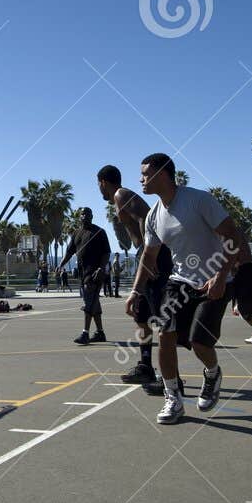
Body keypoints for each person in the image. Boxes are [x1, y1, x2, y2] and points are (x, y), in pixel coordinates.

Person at [127, 153, 248, 425]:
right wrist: (135, 291)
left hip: (215, 281)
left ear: (163, 175)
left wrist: (220, 275)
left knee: (198, 342)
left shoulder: (198, 200)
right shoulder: (153, 216)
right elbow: (149, 256)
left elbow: (233, 235)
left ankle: (212, 372)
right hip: (180, 281)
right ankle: (174, 398)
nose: (141, 179)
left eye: (145, 174)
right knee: (165, 333)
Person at [99, 164, 166, 392]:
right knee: (142, 315)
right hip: (146, 253)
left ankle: (169, 379)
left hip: (152, 253)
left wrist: (150, 255)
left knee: (160, 318)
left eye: (98, 185)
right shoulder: (122, 196)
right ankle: (146, 366)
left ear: (103, 182)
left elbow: (144, 218)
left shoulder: (121, 194)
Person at [60, 207, 111, 345]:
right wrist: (61, 264)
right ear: (79, 216)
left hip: (94, 272)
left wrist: (101, 268)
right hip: (83, 273)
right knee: (94, 302)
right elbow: (69, 252)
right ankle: (100, 333)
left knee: (89, 302)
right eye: (83, 213)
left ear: (92, 216)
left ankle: (85, 333)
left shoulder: (99, 232)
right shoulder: (76, 233)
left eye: (88, 213)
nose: (85, 216)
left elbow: (107, 252)